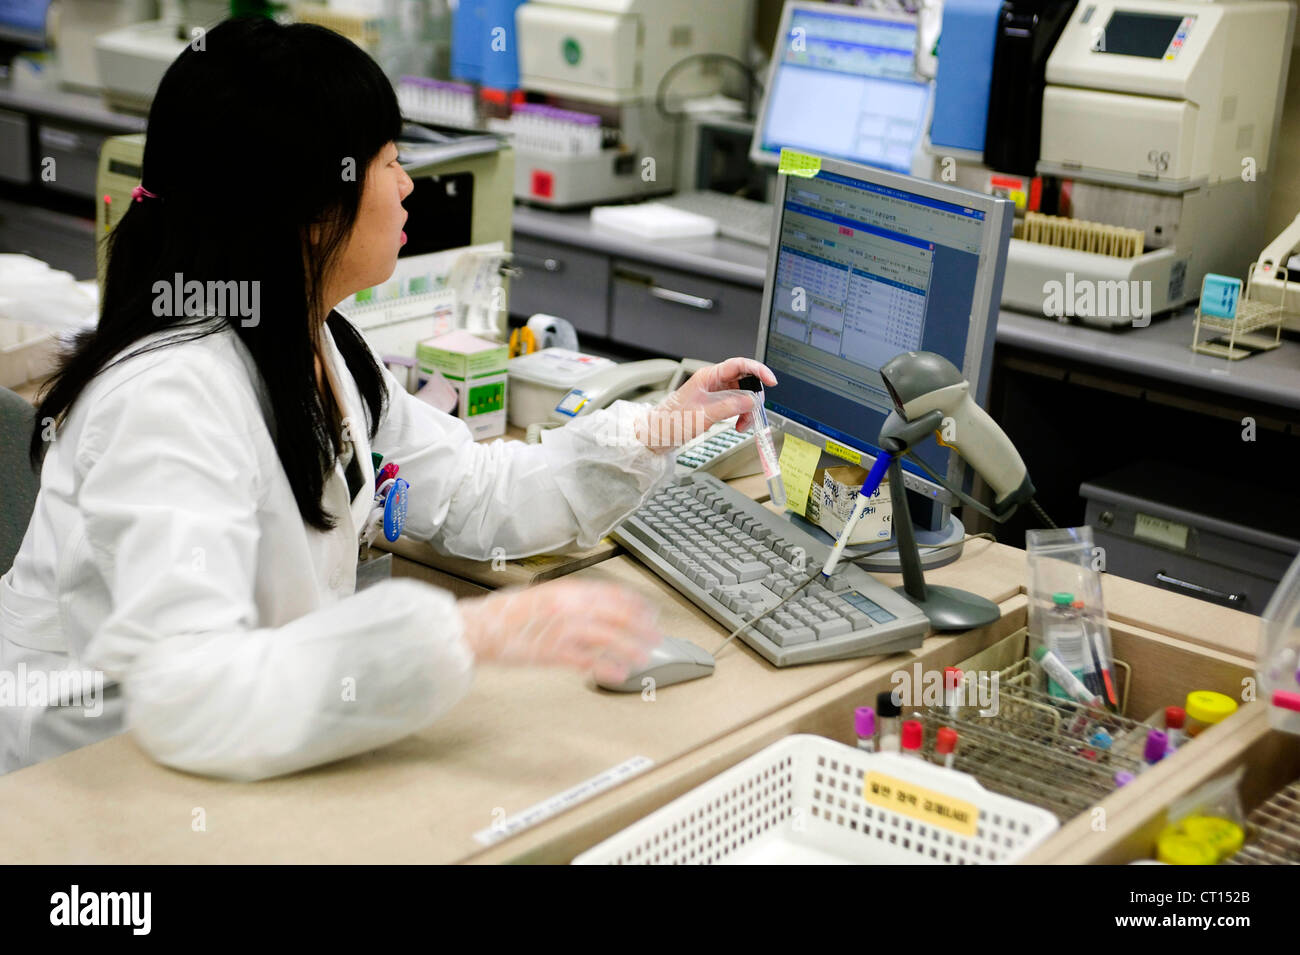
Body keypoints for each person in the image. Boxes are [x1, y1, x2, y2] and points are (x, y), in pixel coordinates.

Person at [0, 17, 774, 781]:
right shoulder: (167, 399)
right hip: (79, 790)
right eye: (390, 160)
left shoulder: (317, 342)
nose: (409, 185)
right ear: (310, 208)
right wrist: (470, 636)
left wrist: (656, 426)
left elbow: (473, 492)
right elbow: (194, 694)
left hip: (237, 757)